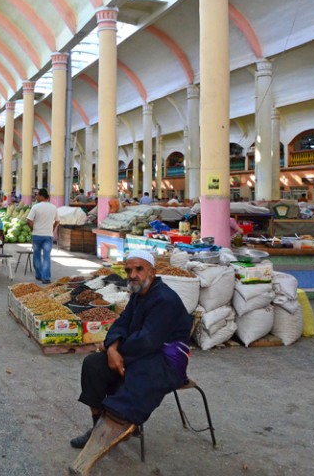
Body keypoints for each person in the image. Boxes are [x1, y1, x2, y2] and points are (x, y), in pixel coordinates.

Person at [70, 250, 192, 448]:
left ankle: (123, 422)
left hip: (165, 359)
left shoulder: (164, 299)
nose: (133, 275)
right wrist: (111, 350)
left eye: (139, 269)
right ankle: (99, 429)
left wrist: (118, 353)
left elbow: (148, 340)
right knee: (93, 364)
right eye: (129, 270)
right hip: (138, 351)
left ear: (152, 272)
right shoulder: (138, 294)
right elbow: (122, 323)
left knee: (138, 376)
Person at [26, 188, 59, 284]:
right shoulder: (53, 207)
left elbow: (28, 220)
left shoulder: (35, 207)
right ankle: (46, 278)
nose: (36, 197)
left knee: (36, 255)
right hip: (48, 236)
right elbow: (57, 221)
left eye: (37, 195)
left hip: (37, 235)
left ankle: (39, 275)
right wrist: (52, 228)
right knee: (46, 256)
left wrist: (32, 229)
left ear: (41, 196)